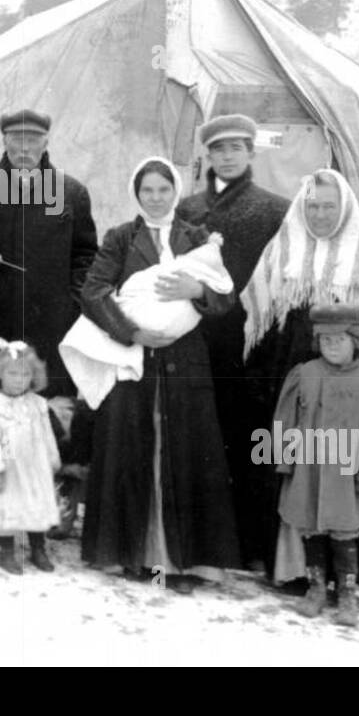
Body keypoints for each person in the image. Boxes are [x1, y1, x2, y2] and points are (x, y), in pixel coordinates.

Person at [240, 168, 359, 591]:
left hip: (351, 393)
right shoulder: (281, 252)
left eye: (328, 206)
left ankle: (353, 574)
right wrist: (263, 385)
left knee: (349, 473)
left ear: (345, 208)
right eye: (312, 206)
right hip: (298, 390)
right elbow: (262, 326)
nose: (319, 214)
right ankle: (300, 572)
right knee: (300, 476)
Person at [80, 157, 242, 594]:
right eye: (147, 191)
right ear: (137, 193)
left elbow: (227, 300)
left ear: (175, 192)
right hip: (134, 359)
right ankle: (133, 555)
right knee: (131, 448)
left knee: (184, 453)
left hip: (184, 361)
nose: (155, 198)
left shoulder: (195, 238)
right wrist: (131, 331)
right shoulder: (121, 238)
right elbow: (93, 292)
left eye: (163, 190)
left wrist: (199, 292)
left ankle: (185, 562)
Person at [175, 114, 288, 569]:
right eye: (218, 150)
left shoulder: (275, 209)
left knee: (251, 441)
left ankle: (255, 546)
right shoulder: (187, 209)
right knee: (202, 439)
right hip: (196, 340)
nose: (226, 157)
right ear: (207, 156)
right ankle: (204, 543)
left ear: (250, 154)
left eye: (235, 149)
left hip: (250, 346)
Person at [273, 304, 359, 627]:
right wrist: (286, 460)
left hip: (347, 476)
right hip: (309, 469)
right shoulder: (304, 375)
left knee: (344, 535)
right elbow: (285, 420)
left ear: (357, 342)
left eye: (340, 339)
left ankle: (346, 592)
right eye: (325, 340)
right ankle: (316, 588)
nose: (332, 346)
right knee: (312, 529)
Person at [0, 109, 98, 397]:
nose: (25, 147)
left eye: (33, 139)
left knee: (51, 404)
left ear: (46, 143)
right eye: (16, 139)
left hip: (52, 322)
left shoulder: (70, 193)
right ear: (4, 141)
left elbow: (86, 256)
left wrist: (71, 303)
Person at [0, 340, 62, 575]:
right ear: (0, 375)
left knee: (35, 506)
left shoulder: (37, 404)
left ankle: (38, 547)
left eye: (25, 374)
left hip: (33, 469)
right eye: (13, 373)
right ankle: (6, 551)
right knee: (6, 509)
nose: (19, 380)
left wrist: (52, 457)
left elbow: (46, 433)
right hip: (6, 470)